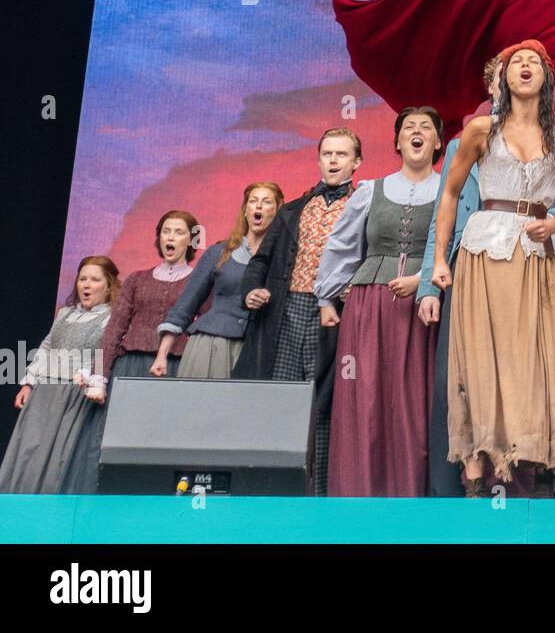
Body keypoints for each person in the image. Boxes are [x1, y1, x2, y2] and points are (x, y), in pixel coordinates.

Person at [416, 54, 555, 497]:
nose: (524, 67)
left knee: (531, 367)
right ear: (501, 79)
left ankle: (527, 479)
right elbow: (447, 196)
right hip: (485, 253)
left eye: (534, 62)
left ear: (547, 77)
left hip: (537, 257)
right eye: (515, 62)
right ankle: (475, 481)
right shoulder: (479, 130)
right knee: (480, 364)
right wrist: (438, 266)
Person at [316, 107, 442, 497]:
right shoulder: (371, 190)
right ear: (398, 142)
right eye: (408, 128)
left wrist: (423, 279)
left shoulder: (451, 191)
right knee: (365, 394)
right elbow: (342, 246)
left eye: (426, 128)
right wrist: (326, 299)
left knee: (416, 402)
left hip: (426, 308)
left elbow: (455, 250)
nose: (416, 133)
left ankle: (413, 496)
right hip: (370, 307)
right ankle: (360, 493)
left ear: (438, 142)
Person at [235, 128, 362, 495]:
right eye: (327, 154)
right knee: (282, 398)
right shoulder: (293, 208)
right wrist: (251, 292)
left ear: (357, 162)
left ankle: (319, 495)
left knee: (323, 404)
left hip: (334, 315)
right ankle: (273, 491)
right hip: (286, 310)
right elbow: (260, 262)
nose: (334, 161)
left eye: (342, 154)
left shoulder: (364, 206)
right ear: (319, 158)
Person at [62, 211, 199, 493]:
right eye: (166, 232)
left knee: (164, 439)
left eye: (178, 232)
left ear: (191, 240)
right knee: (116, 437)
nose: (170, 237)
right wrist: (100, 376)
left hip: (174, 369)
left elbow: (206, 324)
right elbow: (114, 330)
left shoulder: (200, 281)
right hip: (132, 368)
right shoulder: (137, 280)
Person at [0, 257, 118, 493]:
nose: (86, 284)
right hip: (44, 391)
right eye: (83, 279)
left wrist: (91, 375)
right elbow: (46, 347)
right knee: (28, 449)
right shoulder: (65, 313)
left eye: (95, 280)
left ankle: (48, 506)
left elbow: (109, 352)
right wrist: (28, 384)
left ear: (108, 286)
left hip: (73, 395)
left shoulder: (110, 317)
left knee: (58, 455)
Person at [156, 184, 283, 378]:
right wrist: (162, 355)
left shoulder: (283, 260)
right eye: (253, 201)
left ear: (277, 211)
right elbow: (186, 305)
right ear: (245, 211)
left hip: (256, 349)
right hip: (211, 345)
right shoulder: (219, 252)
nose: (258, 207)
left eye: (266, 202)